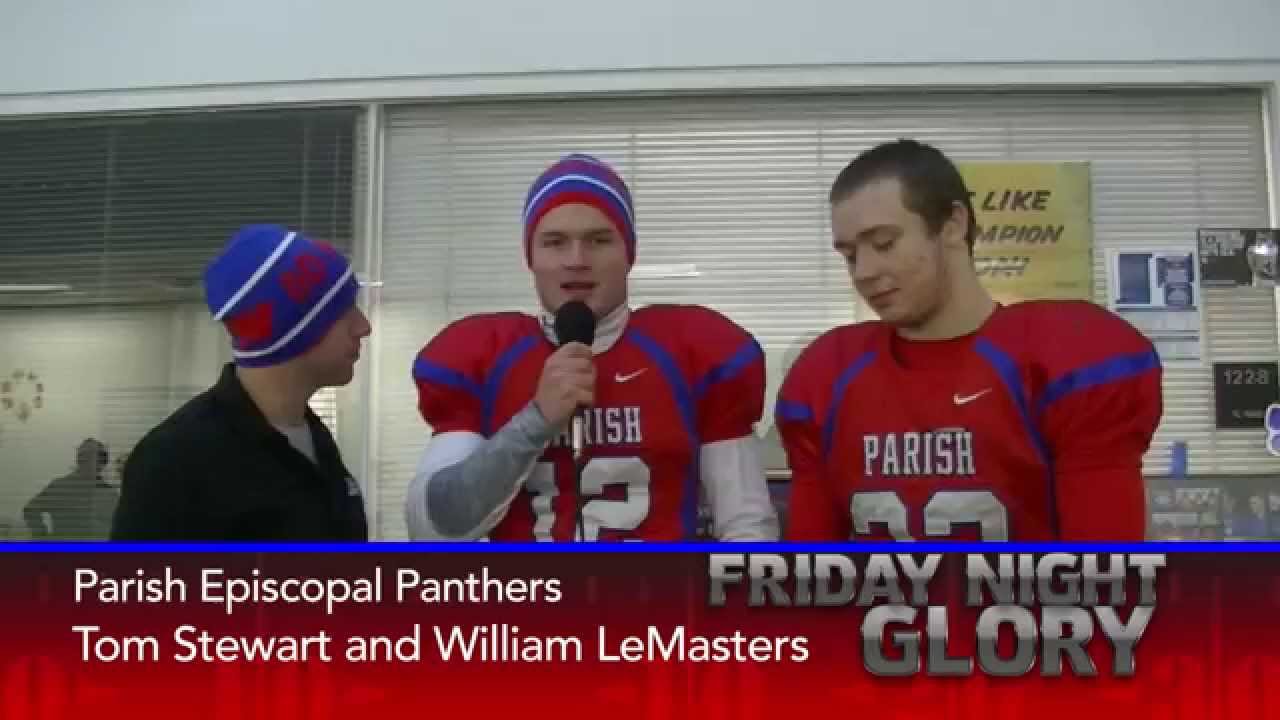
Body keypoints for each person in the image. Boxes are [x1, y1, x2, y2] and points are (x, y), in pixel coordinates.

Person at [775, 139, 1162, 541]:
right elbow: (811, 568)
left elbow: (1106, 569)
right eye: (850, 255)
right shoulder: (830, 374)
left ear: (953, 225)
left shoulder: (1060, 360)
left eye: (884, 244)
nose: (864, 271)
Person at [406, 153, 778, 541]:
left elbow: (747, 527)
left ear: (628, 253)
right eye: (555, 242)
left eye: (599, 241)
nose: (577, 260)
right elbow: (433, 529)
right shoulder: (487, 357)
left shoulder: (689, 353)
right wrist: (536, 421)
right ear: (531, 257)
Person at [111, 224, 371, 541]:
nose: (364, 327)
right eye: (344, 311)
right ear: (293, 329)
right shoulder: (175, 461)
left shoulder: (314, 440)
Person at [24, 438, 118, 539]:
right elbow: (31, 509)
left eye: (95, 457)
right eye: (86, 457)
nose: (89, 461)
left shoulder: (109, 492)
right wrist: (41, 537)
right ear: (79, 460)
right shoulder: (60, 487)